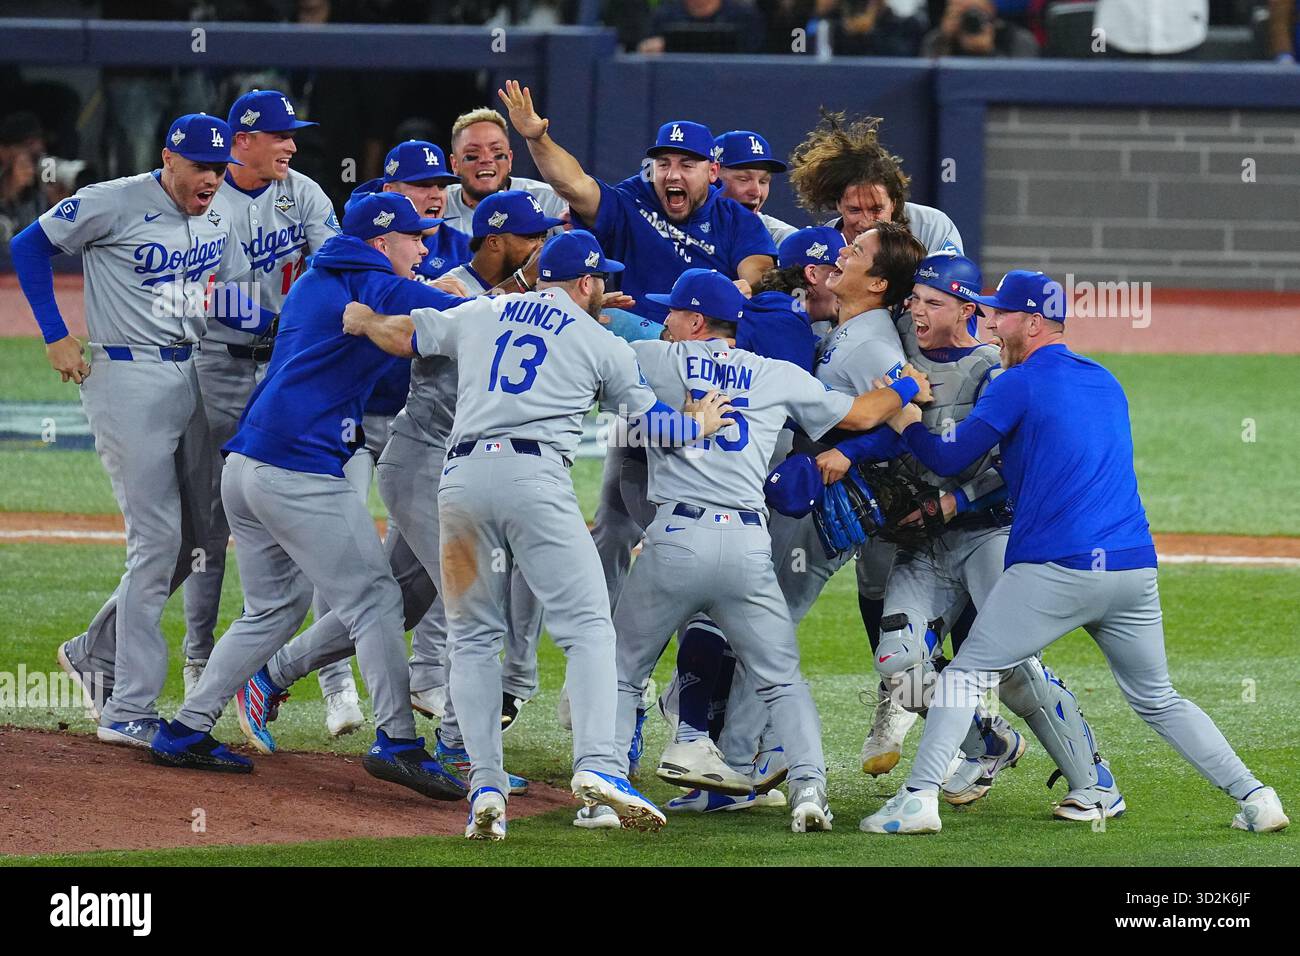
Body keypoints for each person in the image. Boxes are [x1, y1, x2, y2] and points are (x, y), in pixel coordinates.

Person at [860, 269, 1290, 835]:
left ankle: (917, 800)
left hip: (1057, 568)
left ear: (1032, 323)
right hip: (1132, 568)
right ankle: (1257, 798)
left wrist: (907, 415)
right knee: (1159, 698)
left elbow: (949, 455)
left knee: (965, 675)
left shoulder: (1017, 383)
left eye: (1002, 314)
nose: (991, 322)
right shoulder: (1105, 380)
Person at [339, 230, 735, 840]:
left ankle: (485, 787)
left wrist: (363, 318)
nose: (606, 290)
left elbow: (407, 335)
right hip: (535, 482)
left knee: (470, 638)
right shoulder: (599, 339)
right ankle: (599, 765)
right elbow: (653, 426)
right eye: (602, 280)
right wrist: (700, 421)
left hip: (462, 480)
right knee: (587, 628)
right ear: (584, 283)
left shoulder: (478, 310)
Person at [148, 193, 469, 809]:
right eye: (415, 238)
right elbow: (469, 321)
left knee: (273, 607)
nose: (425, 248)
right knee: (377, 598)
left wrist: (447, 292)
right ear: (382, 243)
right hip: (298, 467)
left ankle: (185, 727)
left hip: (246, 466)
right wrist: (482, 296)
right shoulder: (378, 285)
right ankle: (399, 741)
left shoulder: (320, 277)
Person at [611, 267, 934, 832]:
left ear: (692, 320)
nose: (664, 322)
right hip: (746, 544)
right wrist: (907, 387)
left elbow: (599, 338)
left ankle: (604, 789)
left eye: (672, 314)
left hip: (676, 539)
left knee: (621, 672)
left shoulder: (658, 358)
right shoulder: (774, 373)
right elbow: (861, 415)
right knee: (781, 678)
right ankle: (810, 792)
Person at [825, 252, 1124, 817]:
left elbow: (1010, 466)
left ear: (966, 309)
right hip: (923, 545)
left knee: (1013, 668)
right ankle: (982, 740)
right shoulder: (899, 359)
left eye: (932, 302)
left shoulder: (995, 370)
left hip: (988, 536)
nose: (916, 309)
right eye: (914, 298)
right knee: (897, 660)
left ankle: (1095, 780)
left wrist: (954, 499)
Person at [11, 113, 270, 747]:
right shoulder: (115, 200)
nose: (211, 178)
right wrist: (53, 333)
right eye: (201, 167)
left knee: (201, 535)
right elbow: (28, 244)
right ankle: (127, 705)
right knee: (157, 539)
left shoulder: (219, 216)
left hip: (192, 375)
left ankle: (96, 652)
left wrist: (281, 323)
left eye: (219, 169)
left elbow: (223, 298)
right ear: (169, 159)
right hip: (125, 378)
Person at [177, 90, 362, 736]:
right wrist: (285, 318)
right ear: (241, 142)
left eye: (293, 135)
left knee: (306, 513)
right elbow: (203, 292)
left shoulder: (304, 193)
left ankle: (333, 677)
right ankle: (198, 665)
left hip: (285, 371)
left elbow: (336, 262)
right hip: (216, 367)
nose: (290, 145)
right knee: (206, 528)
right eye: (280, 135)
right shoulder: (204, 198)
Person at [441, 107, 569, 239]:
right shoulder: (438, 203)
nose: (486, 159)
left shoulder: (547, 199)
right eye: (473, 153)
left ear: (510, 160)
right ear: (454, 164)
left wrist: (539, 139)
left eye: (496, 150)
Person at [350, 139, 469, 280]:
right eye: (423, 185)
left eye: (442, 186)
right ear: (390, 192)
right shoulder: (358, 240)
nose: (436, 195)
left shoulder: (462, 248)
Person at [712, 129, 799, 246]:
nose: (757, 192)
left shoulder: (783, 239)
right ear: (712, 176)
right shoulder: (682, 232)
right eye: (744, 179)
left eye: (763, 181)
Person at [636, 0, 767, 54]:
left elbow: (758, 59)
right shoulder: (663, 16)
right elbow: (644, 49)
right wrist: (647, 50)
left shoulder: (745, 16)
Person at [920, 0, 1041, 57]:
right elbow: (928, 87)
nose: (970, 19)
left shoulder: (1018, 39)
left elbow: (1021, 87)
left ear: (991, 8)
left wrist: (989, 53)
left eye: (975, 12)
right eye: (963, 12)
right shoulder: (936, 39)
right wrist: (945, 40)